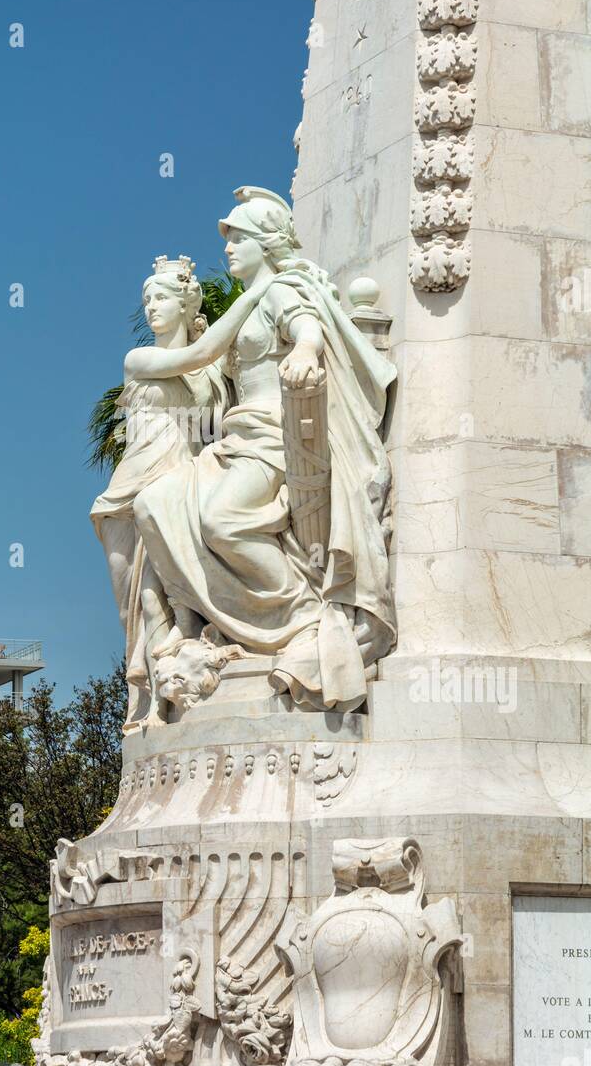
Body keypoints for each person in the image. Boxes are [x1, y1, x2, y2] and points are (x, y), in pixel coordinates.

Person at [131, 187, 397, 711]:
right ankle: (229, 624)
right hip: (236, 439)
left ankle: (302, 616)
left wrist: (303, 348)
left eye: (240, 237)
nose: (228, 247)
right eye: (228, 237)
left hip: (276, 436)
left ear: (266, 243)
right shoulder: (250, 301)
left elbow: (307, 327)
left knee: (223, 519)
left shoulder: (282, 290)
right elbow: (204, 355)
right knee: (153, 504)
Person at [90, 255, 275, 730]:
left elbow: (226, 397)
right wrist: (256, 291)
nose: (151, 307)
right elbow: (200, 353)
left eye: (161, 298)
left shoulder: (212, 376)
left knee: (168, 603)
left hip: (182, 486)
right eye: (146, 298)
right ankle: (145, 699)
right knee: (132, 610)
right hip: (129, 493)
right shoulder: (141, 359)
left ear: (184, 303)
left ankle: (164, 708)